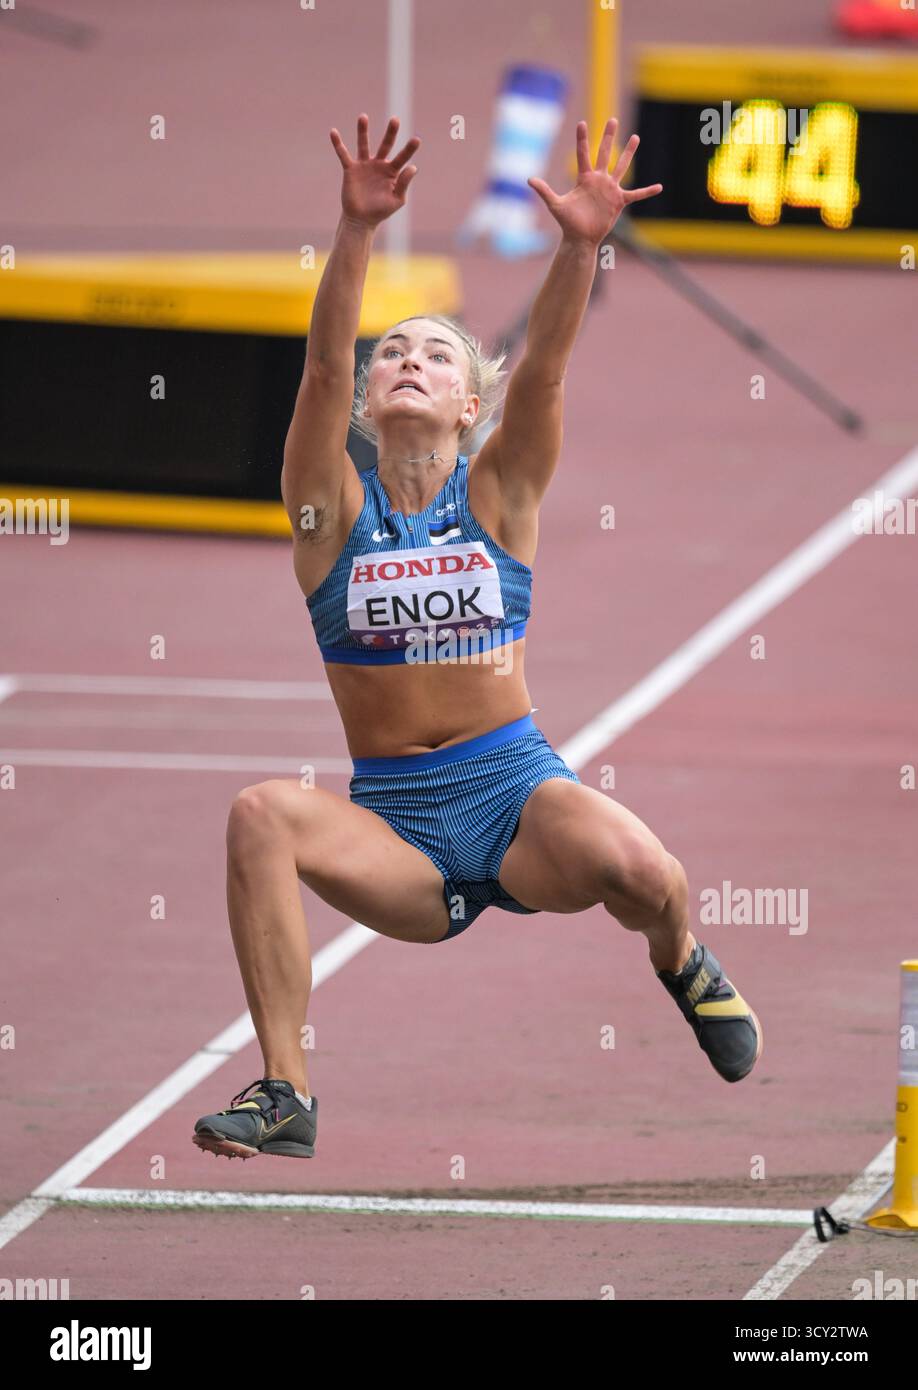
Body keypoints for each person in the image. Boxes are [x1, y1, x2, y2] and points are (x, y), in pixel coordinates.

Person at [192, 113, 762, 1162]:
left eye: (437, 354)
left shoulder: (498, 494)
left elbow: (542, 372)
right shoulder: (329, 513)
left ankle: (682, 960)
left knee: (646, 874)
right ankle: (285, 1093)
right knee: (260, 814)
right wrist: (356, 229)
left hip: (516, 797)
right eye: (393, 353)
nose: (408, 358)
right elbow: (317, 369)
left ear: (467, 405)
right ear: (370, 399)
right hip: (401, 838)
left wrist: (581, 246)